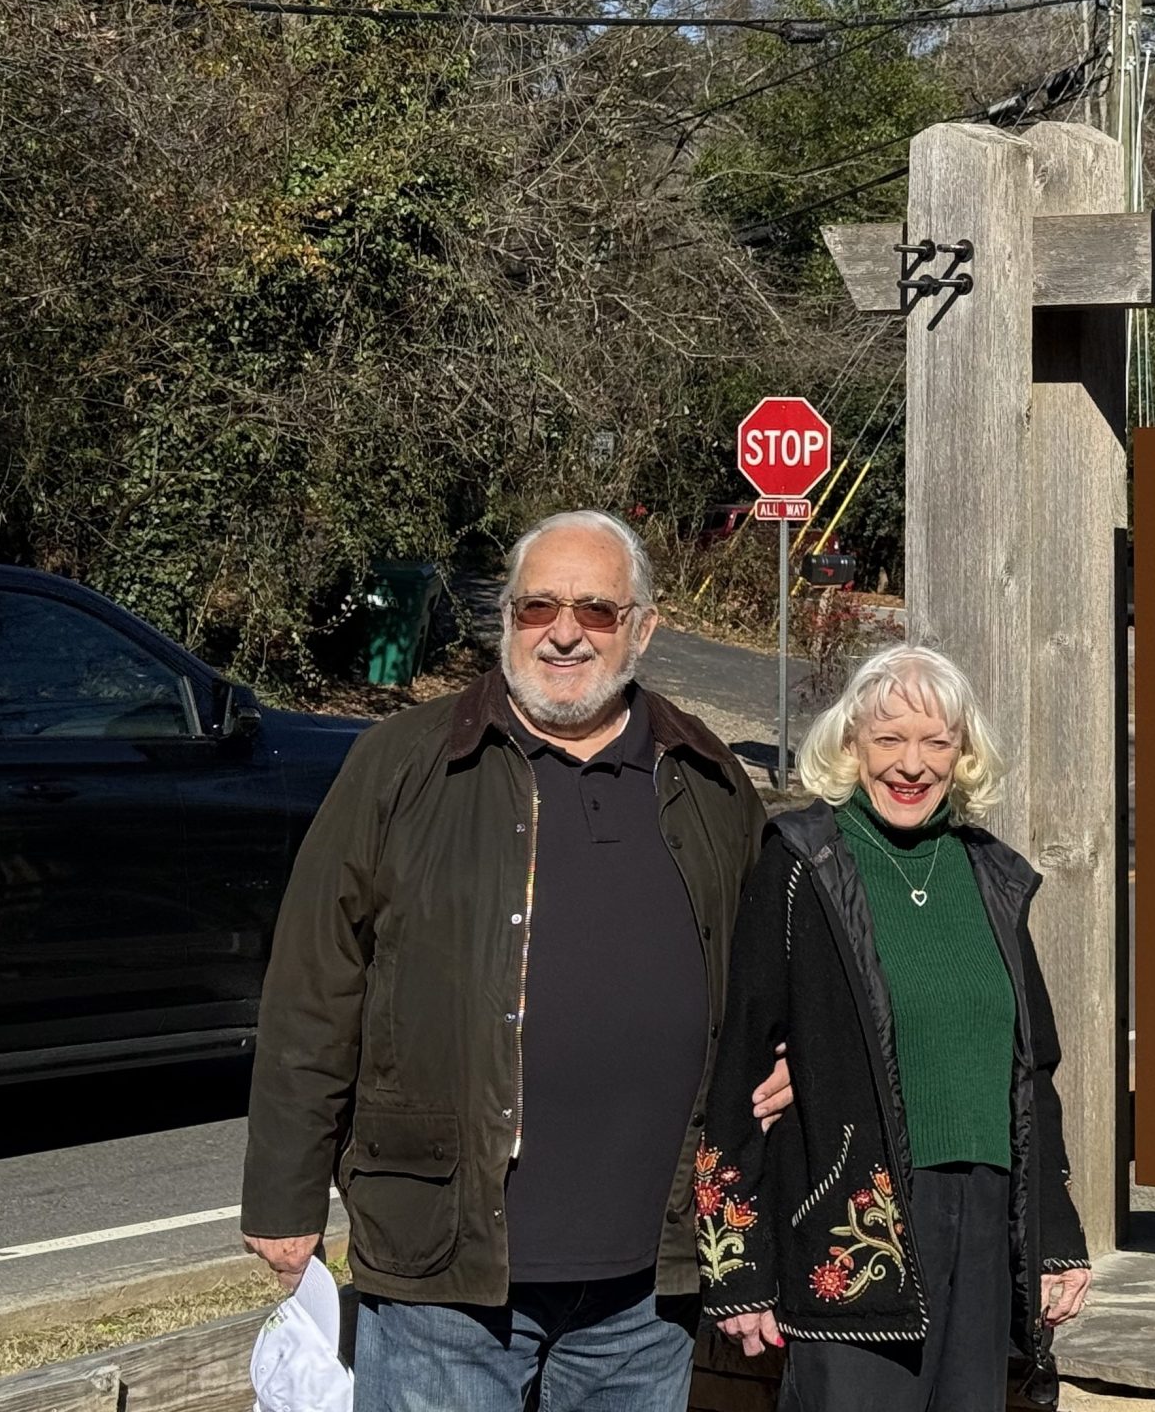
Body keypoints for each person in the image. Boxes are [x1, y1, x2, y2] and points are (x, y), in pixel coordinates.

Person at [241, 509, 792, 1412]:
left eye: (596, 611)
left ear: (644, 628)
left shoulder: (708, 777)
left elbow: (775, 961)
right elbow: (313, 986)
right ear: (507, 622)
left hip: (649, 1279)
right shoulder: (404, 765)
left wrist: (791, 1056)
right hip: (442, 1271)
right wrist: (282, 1194)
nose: (564, 632)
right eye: (537, 607)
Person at [697, 643, 1091, 1412]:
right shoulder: (804, 864)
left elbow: (1032, 1070)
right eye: (889, 739)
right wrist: (736, 1266)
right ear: (851, 745)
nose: (912, 764)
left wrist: (1055, 1235)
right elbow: (743, 1061)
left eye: (936, 742)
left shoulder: (993, 875)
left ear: (963, 753)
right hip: (850, 1224)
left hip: (981, 1224)